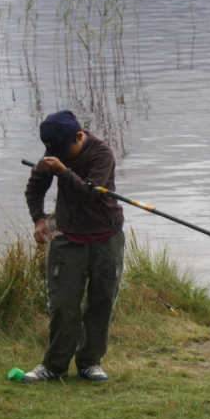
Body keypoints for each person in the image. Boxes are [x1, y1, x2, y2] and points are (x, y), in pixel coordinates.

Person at [22, 110, 125, 383]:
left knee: (102, 302)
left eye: (65, 150)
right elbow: (34, 188)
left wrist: (63, 172)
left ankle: (90, 362)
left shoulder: (102, 154)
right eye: (54, 152)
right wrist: (39, 220)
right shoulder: (54, 156)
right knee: (62, 305)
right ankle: (54, 366)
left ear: (79, 136)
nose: (61, 156)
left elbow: (88, 194)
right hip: (67, 237)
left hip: (107, 237)